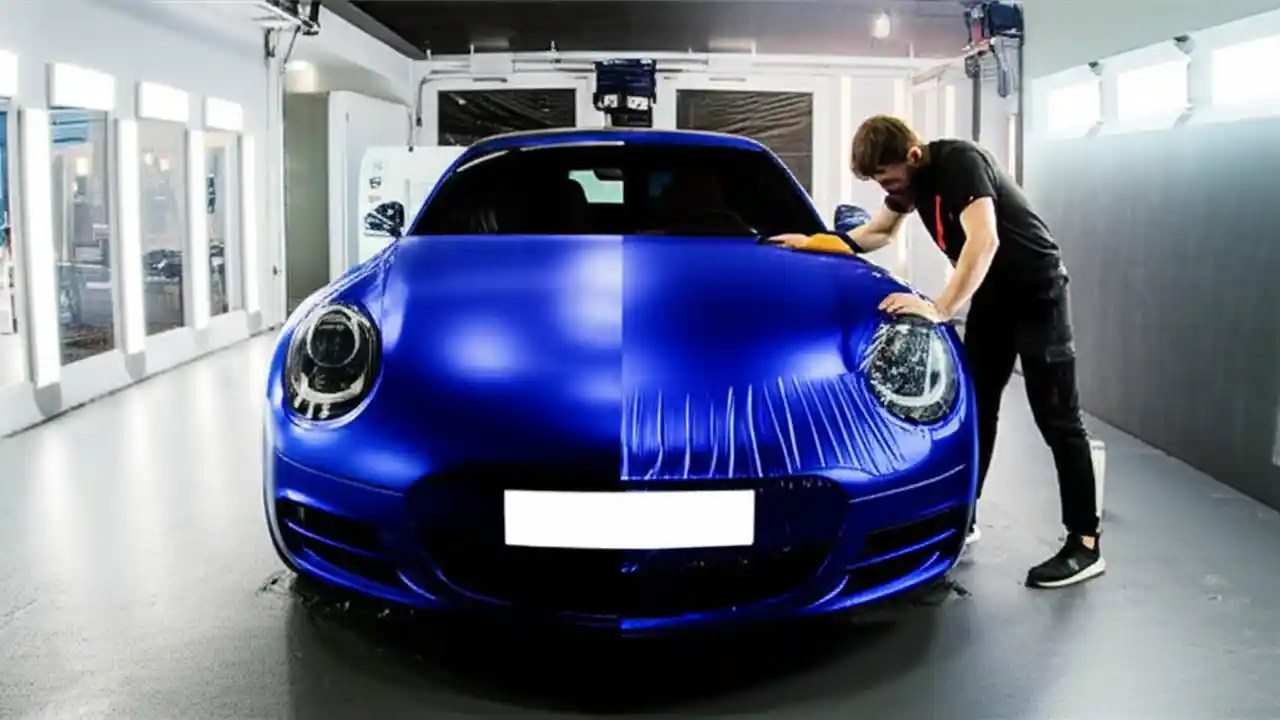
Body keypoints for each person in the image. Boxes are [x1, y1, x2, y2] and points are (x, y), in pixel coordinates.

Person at [770, 115, 1104, 589]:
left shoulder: (960, 164)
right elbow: (878, 233)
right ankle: (965, 518)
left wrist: (940, 308)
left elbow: (984, 239)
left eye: (887, 177)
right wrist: (817, 243)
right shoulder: (913, 184)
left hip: (1036, 294)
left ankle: (1085, 543)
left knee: (1057, 419)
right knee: (979, 408)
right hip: (992, 298)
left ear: (912, 155)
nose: (886, 187)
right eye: (876, 181)